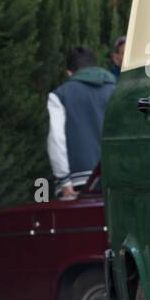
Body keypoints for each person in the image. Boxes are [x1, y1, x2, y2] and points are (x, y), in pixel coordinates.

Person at [47, 47, 115, 198]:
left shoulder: (59, 95)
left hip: (77, 182)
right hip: (115, 177)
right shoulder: (116, 90)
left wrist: (64, 180)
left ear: (69, 73)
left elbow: (56, 140)